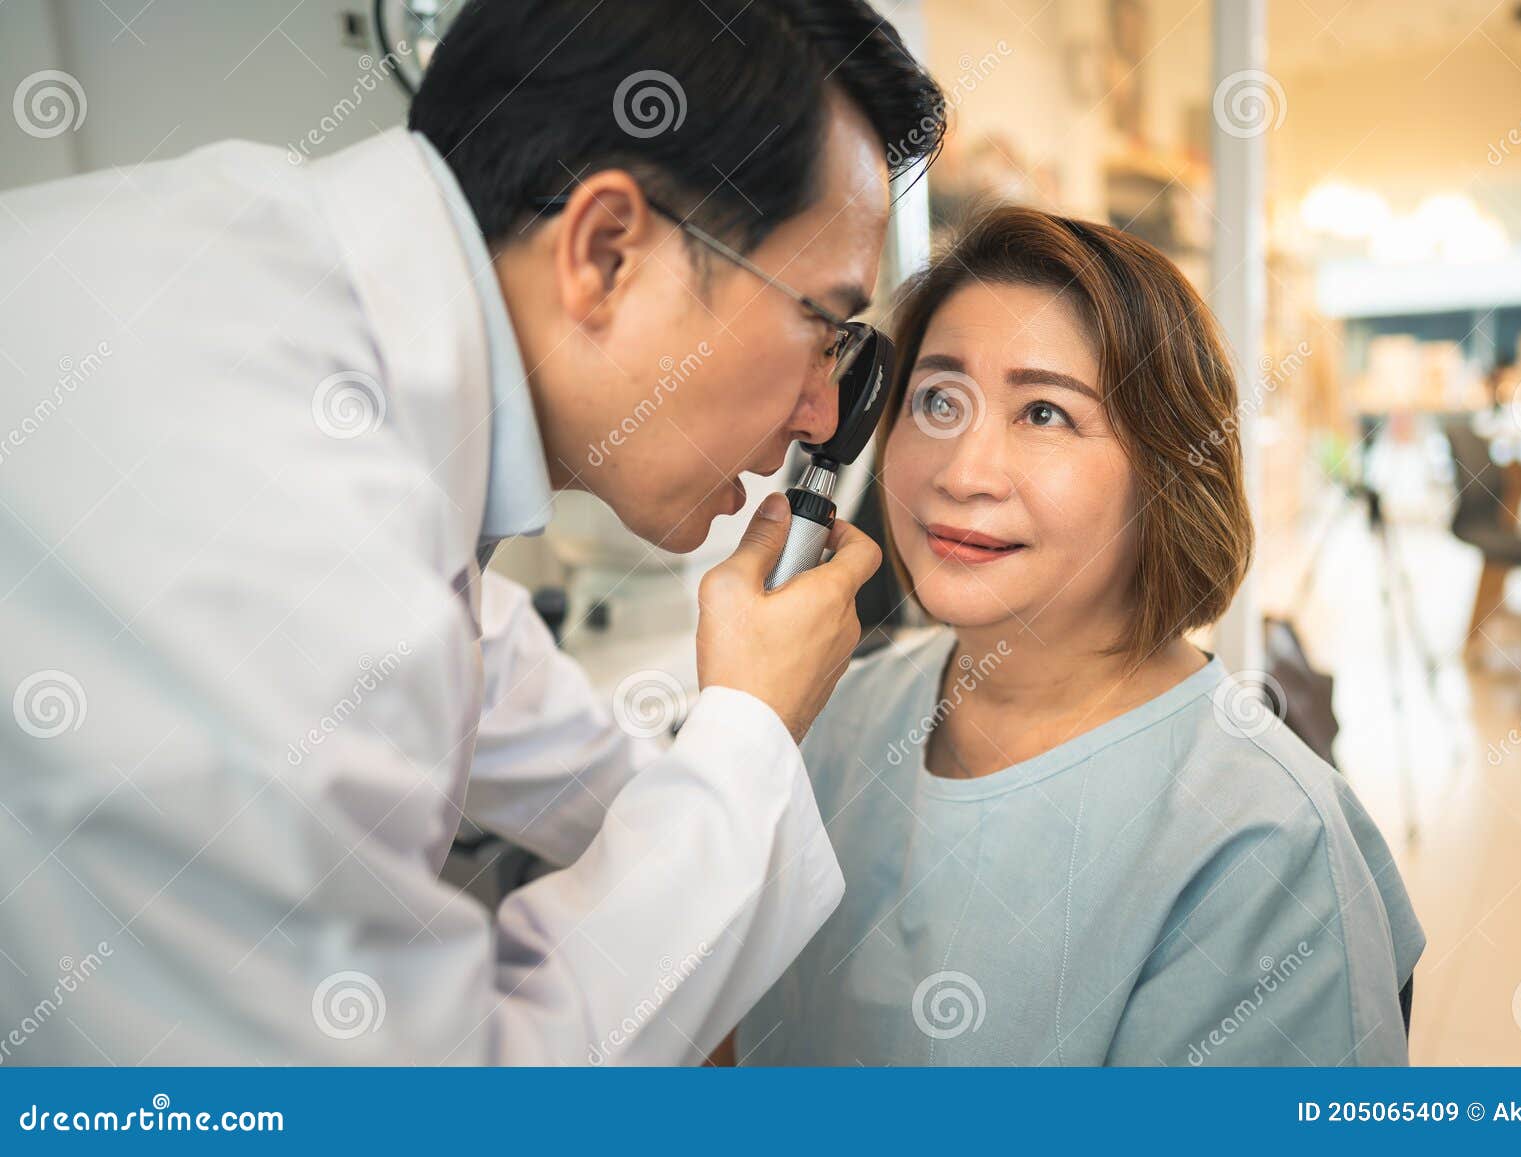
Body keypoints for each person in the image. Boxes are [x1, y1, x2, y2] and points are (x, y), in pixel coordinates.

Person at [0, 0, 944, 1064]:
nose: (825, 416)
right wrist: (745, 735)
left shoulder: (285, 295)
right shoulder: (273, 519)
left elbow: (477, 664)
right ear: (605, 252)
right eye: (821, 324)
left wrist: (719, 780)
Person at [726, 206, 1425, 1066]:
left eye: (1045, 413)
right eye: (937, 399)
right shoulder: (825, 713)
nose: (961, 470)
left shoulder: (1263, 844)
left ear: (1166, 472)